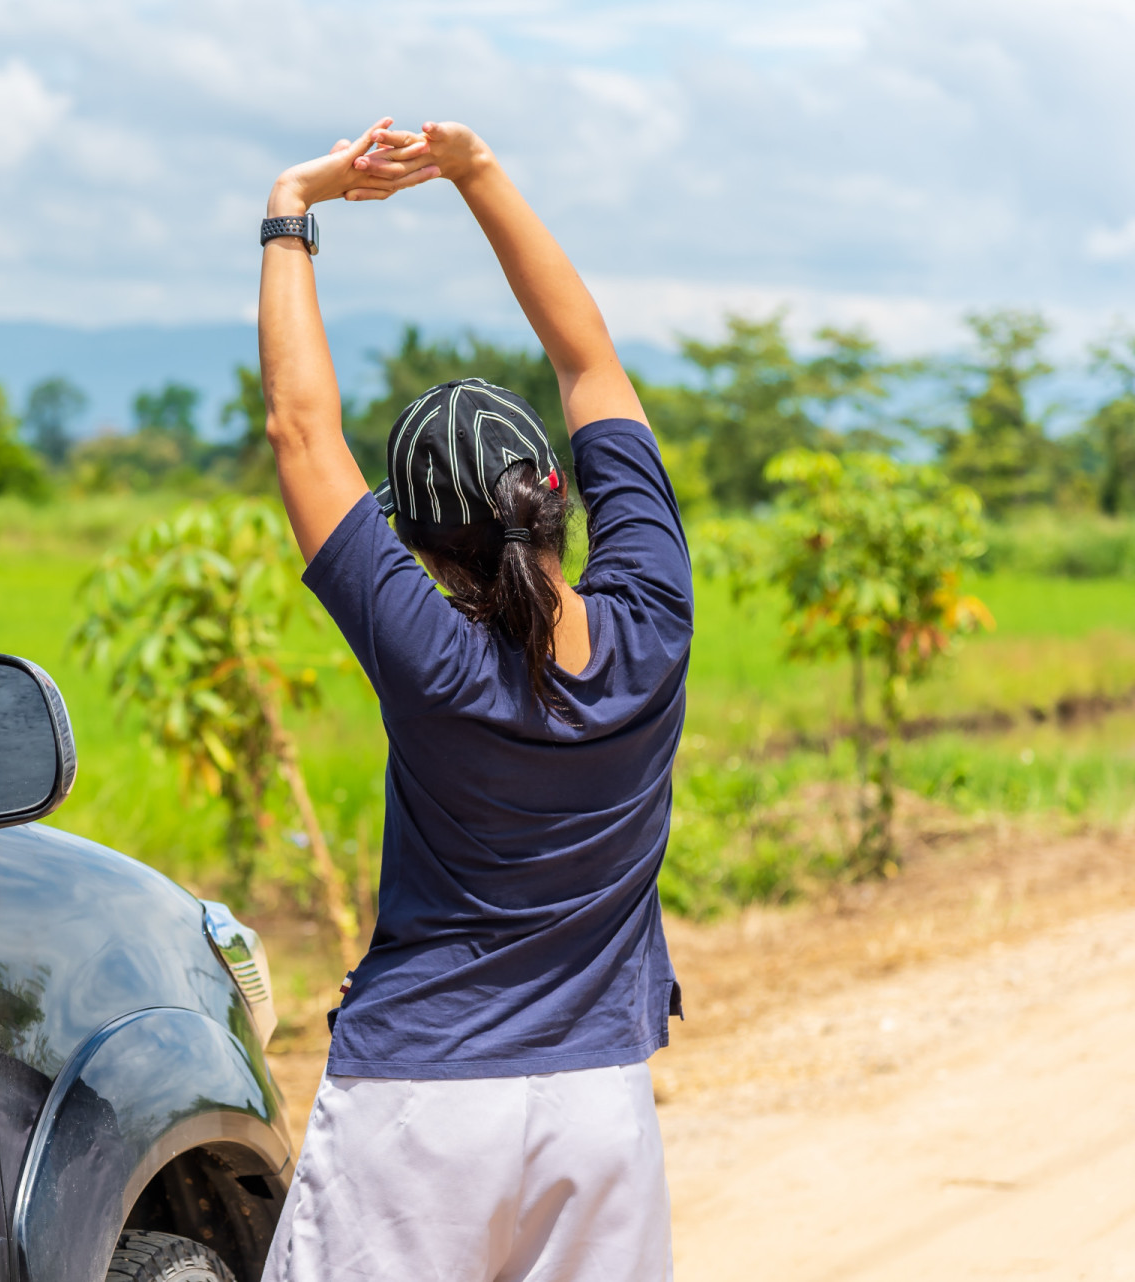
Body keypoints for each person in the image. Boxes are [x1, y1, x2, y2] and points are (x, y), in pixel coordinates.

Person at [257, 120, 692, 1282]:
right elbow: (588, 361)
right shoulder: (654, 622)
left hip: (418, 1110)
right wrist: (475, 169)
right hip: (598, 1112)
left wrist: (294, 202)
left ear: (421, 546)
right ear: (560, 492)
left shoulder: (433, 663)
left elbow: (302, 430)